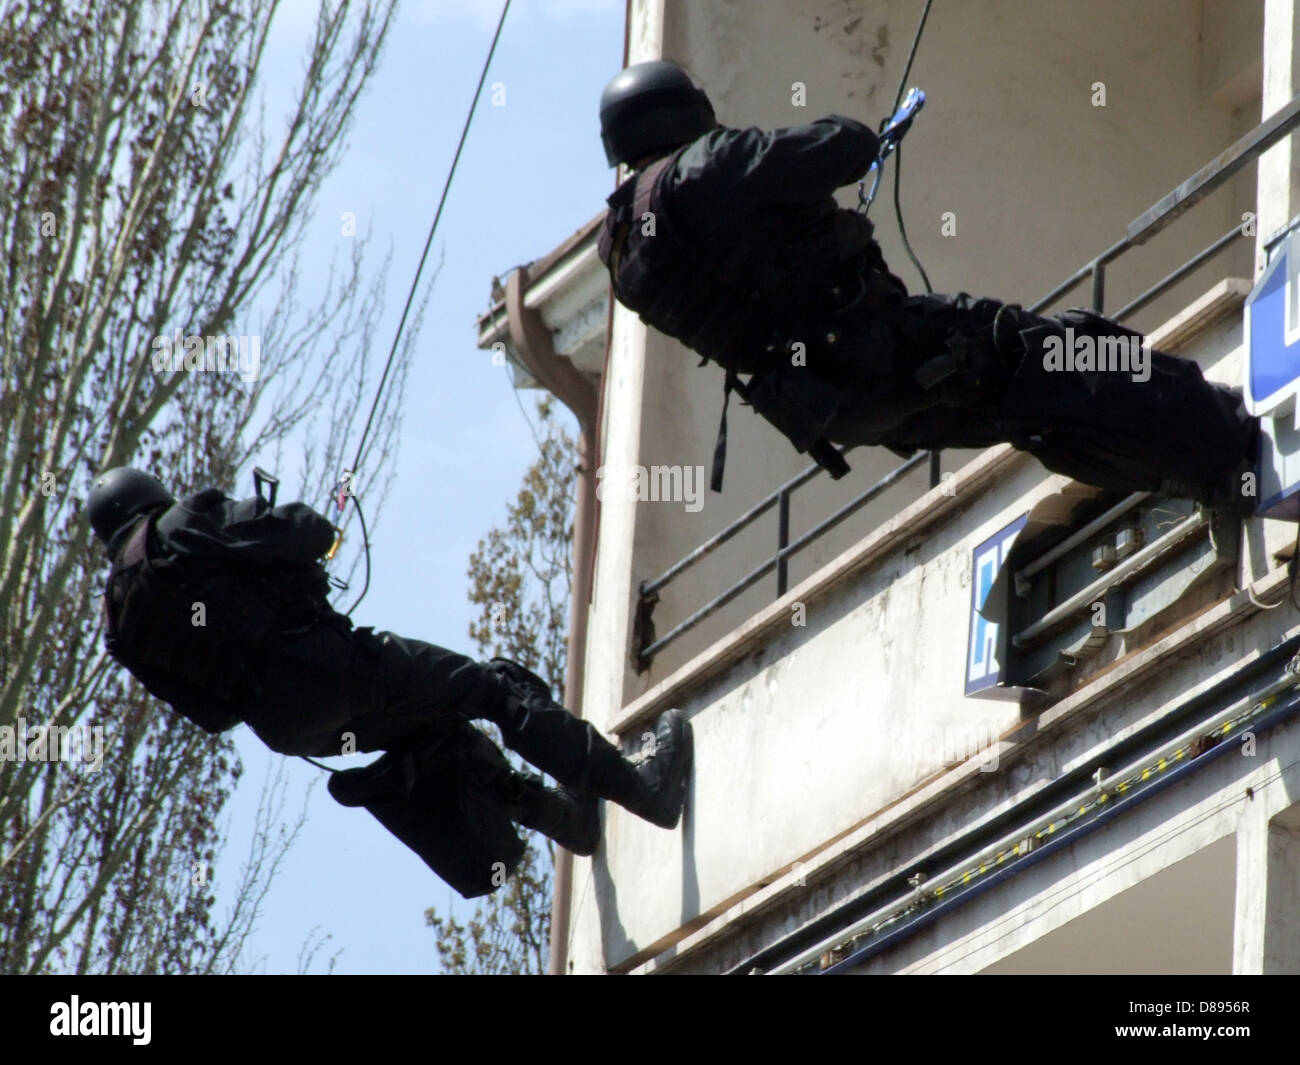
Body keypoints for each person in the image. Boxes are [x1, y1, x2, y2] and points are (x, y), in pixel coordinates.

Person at [596, 59, 1259, 508]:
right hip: (885, 348)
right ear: (683, 113)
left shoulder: (623, 251)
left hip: (842, 407)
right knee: (1065, 352)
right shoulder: (704, 169)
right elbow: (837, 148)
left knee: (1032, 417)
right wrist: (860, 137)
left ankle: (1197, 479)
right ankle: (1233, 439)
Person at [86, 467, 691, 899]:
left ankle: (572, 823)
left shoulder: (121, 626)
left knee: (436, 735)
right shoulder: (181, 524)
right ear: (148, 496)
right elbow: (311, 530)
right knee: (493, 689)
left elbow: (213, 717)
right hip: (333, 668)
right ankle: (644, 792)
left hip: (291, 729)